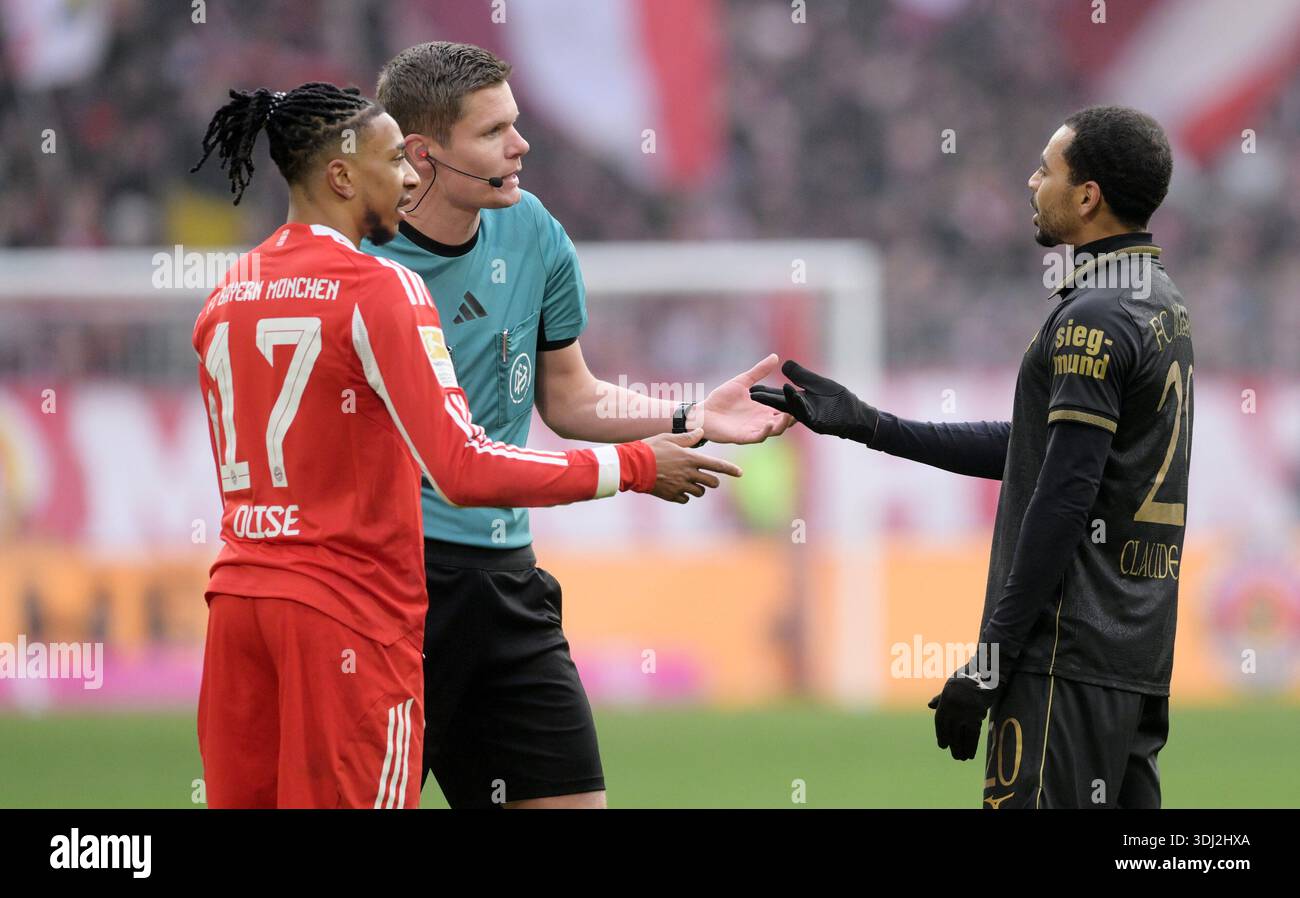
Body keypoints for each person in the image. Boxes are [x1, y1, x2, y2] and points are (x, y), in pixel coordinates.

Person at [189, 82, 740, 808]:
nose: (410, 178)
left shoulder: (227, 293)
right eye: (394, 161)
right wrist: (634, 465)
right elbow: (461, 465)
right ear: (342, 176)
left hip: (238, 609)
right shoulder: (379, 289)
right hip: (346, 618)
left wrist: (677, 415)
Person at [367, 42, 792, 808]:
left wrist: (688, 414)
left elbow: (568, 397)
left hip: (506, 585)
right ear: (423, 154)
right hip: (383, 590)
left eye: (516, 123)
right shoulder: (359, 254)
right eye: (494, 132)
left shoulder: (533, 233)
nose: (521, 145)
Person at [753, 106, 1190, 809]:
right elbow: (1039, 452)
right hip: (1135, 657)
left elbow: (1063, 501)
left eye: (1046, 170)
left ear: (1087, 197)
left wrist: (989, 662)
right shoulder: (1159, 302)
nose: (1030, 182)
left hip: (1064, 661)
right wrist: (872, 425)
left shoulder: (1094, 317)